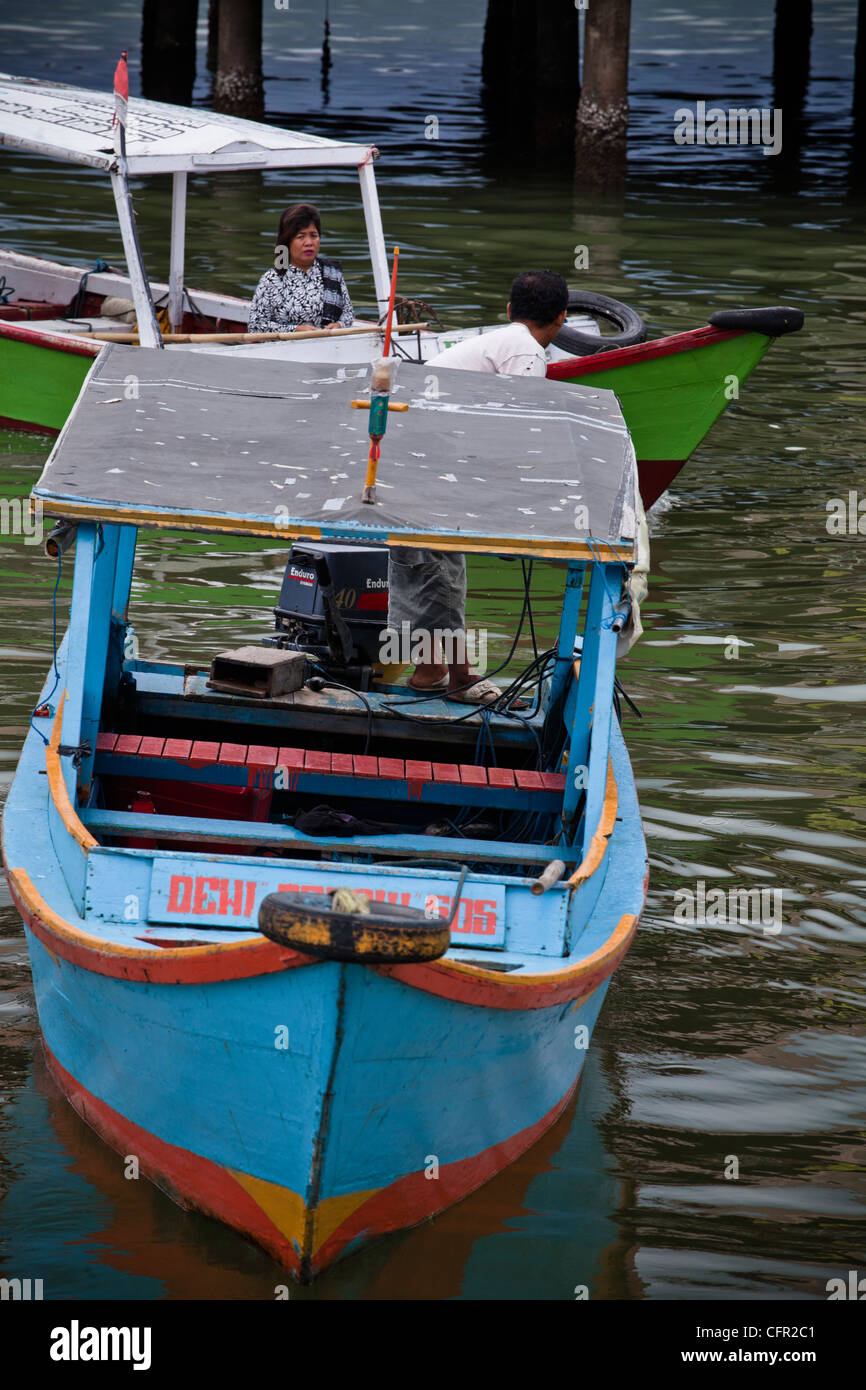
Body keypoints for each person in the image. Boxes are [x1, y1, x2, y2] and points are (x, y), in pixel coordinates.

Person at [387, 270, 570, 704]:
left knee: (436, 573)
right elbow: (516, 434)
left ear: (509, 311)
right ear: (561, 318)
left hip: (410, 462)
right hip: (427, 473)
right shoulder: (527, 352)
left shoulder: (496, 342)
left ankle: (430, 674)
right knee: (438, 576)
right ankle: (464, 677)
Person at [248, 203, 354, 334]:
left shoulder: (331, 273)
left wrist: (339, 325)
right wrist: (295, 330)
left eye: (313, 235)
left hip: (327, 347)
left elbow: (348, 314)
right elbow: (256, 326)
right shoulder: (271, 280)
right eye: (301, 237)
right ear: (287, 242)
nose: (309, 242)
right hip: (282, 351)